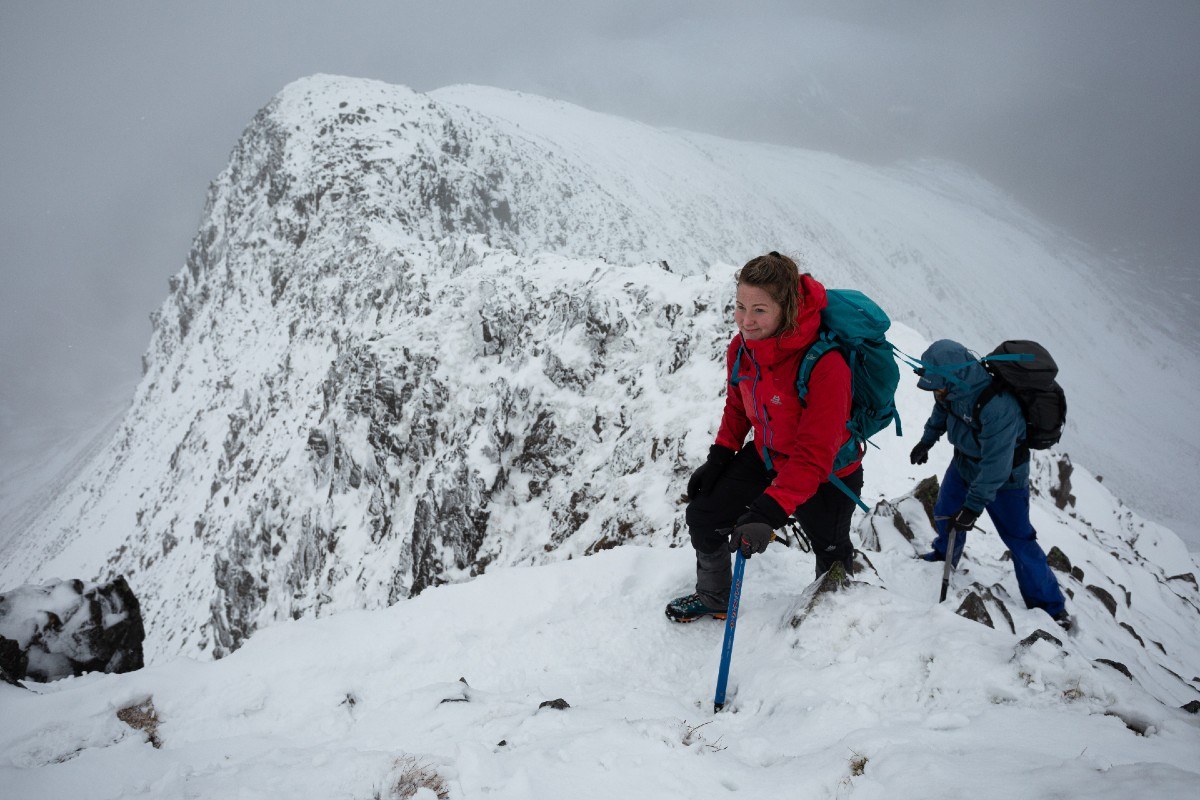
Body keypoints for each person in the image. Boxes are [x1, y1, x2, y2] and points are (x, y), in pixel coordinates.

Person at [665, 252, 863, 623]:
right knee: (704, 516)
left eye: (759, 310)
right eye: (740, 306)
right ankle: (714, 597)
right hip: (768, 454)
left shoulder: (825, 366)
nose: (745, 320)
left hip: (829, 473)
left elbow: (815, 454)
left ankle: (831, 626)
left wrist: (768, 512)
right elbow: (739, 406)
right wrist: (720, 455)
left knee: (830, 551)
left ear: (786, 309)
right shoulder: (742, 348)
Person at [910, 339, 1069, 628]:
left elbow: (996, 465)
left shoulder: (998, 407)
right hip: (964, 464)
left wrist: (972, 507)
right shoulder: (950, 390)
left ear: (955, 376)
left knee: (1019, 539)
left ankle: (1050, 606)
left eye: (938, 385)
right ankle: (943, 558)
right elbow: (942, 412)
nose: (936, 392)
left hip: (1006, 480)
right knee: (946, 513)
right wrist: (927, 441)